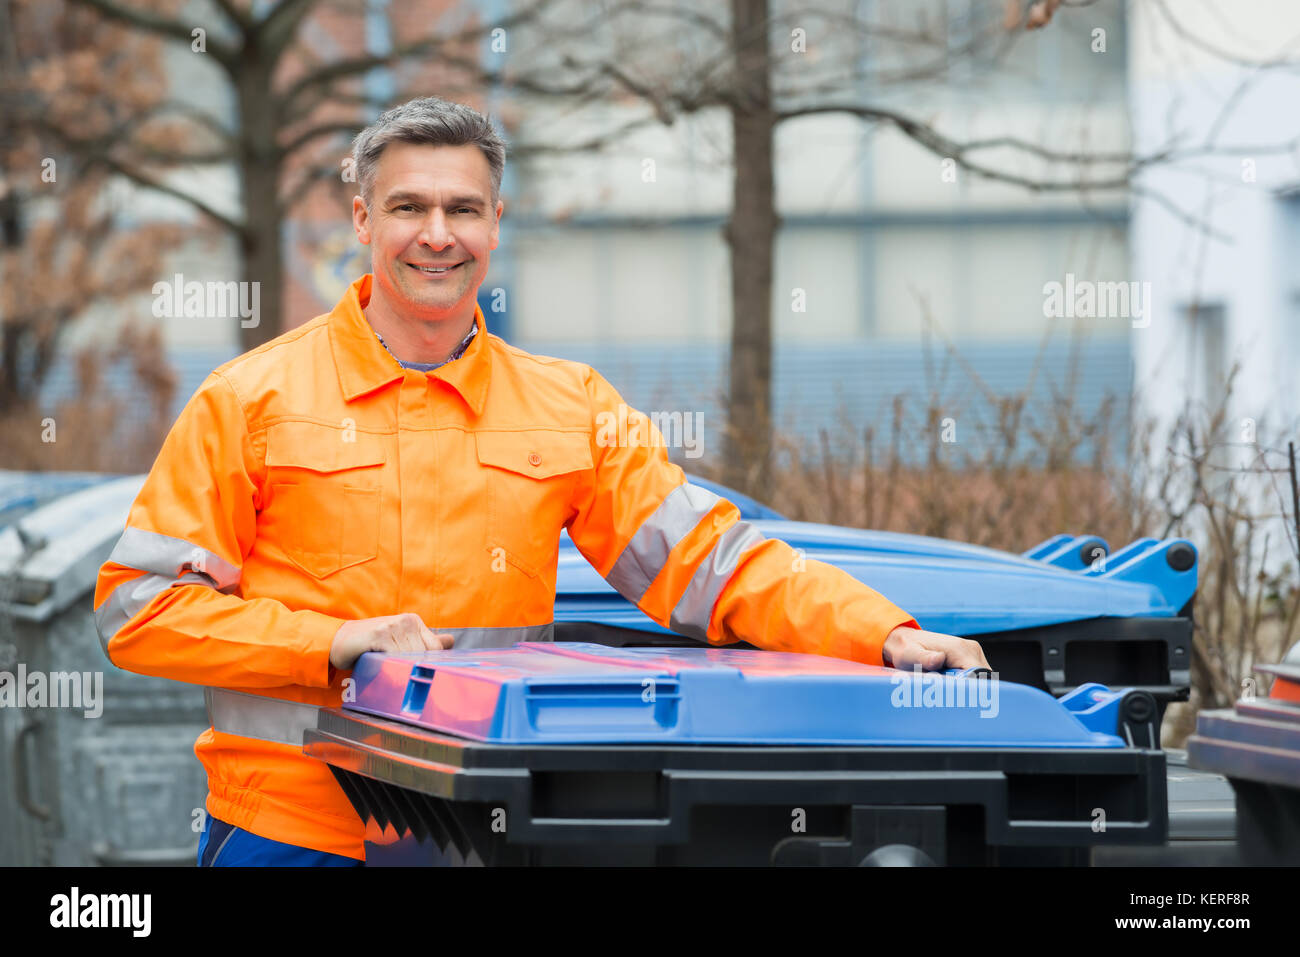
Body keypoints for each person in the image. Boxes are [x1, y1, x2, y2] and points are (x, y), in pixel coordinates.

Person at [93, 96, 989, 867]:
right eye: (408, 207)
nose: (437, 235)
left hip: (481, 833)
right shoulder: (249, 399)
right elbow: (138, 609)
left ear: (496, 222)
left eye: (463, 209)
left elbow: (711, 563)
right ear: (361, 221)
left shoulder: (568, 407)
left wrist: (887, 635)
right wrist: (327, 642)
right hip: (288, 828)